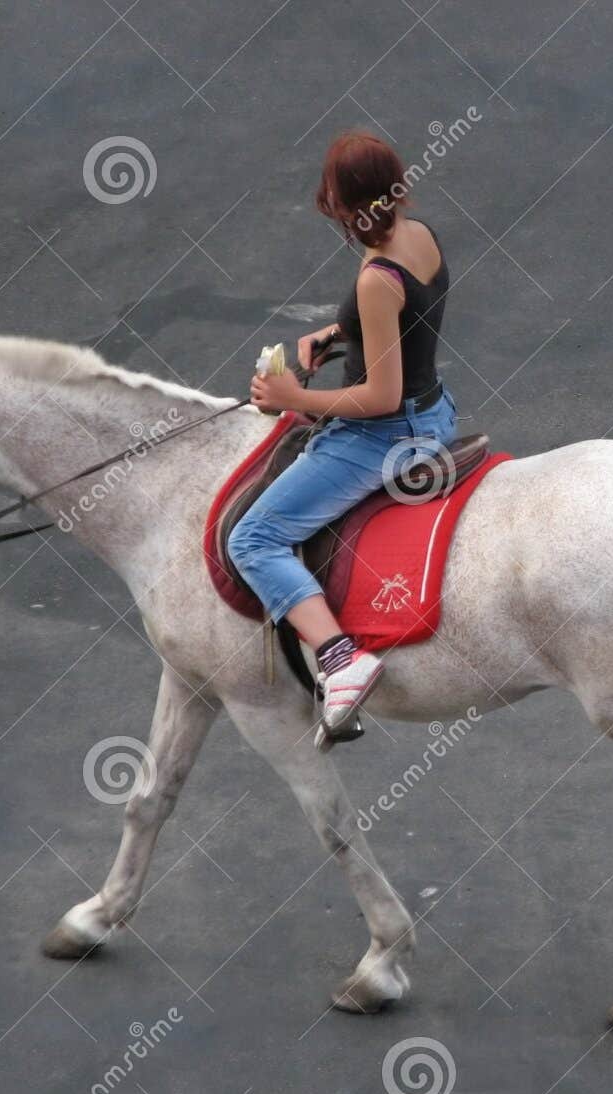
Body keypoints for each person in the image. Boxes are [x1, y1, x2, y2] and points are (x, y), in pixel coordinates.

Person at [231, 129, 455, 737]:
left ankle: (340, 660)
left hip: (387, 434)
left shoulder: (375, 276)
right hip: (436, 409)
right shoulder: (416, 234)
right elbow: (413, 318)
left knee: (252, 539)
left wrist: (291, 397)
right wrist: (340, 336)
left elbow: (380, 396)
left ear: (346, 206)